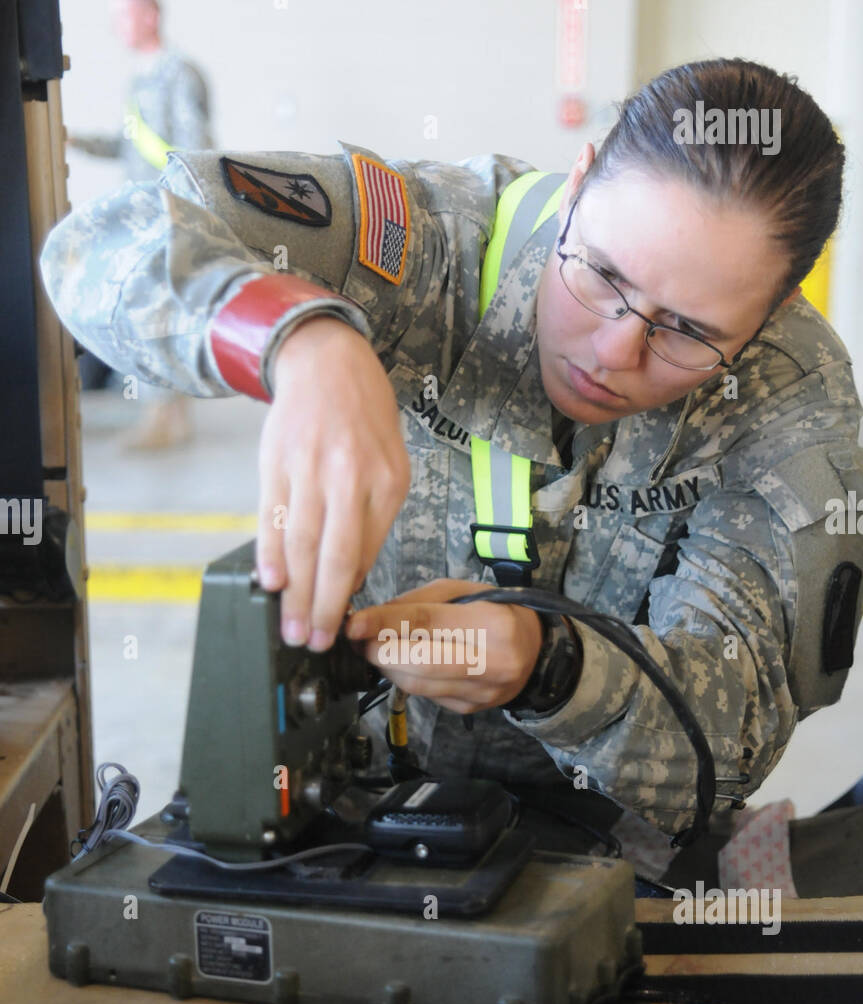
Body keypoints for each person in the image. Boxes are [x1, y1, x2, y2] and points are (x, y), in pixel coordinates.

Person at [41, 58, 863, 888]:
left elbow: (730, 741)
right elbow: (102, 243)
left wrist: (550, 667)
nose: (614, 351)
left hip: (604, 853)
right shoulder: (424, 242)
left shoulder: (788, 395)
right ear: (577, 179)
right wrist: (297, 336)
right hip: (339, 805)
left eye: (686, 330)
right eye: (603, 275)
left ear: (772, 313)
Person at [68, 0, 212, 447]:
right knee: (154, 313)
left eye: (126, 14)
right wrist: (76, 140)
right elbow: (130, 147)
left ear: (150, 16)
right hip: (143, 216)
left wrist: (183, 216)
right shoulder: (141, 77)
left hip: (167, 214)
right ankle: (167, 416)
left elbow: (194, 150)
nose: (118, 25)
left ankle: (163, 419)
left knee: (157, 314)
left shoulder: (178, 73)